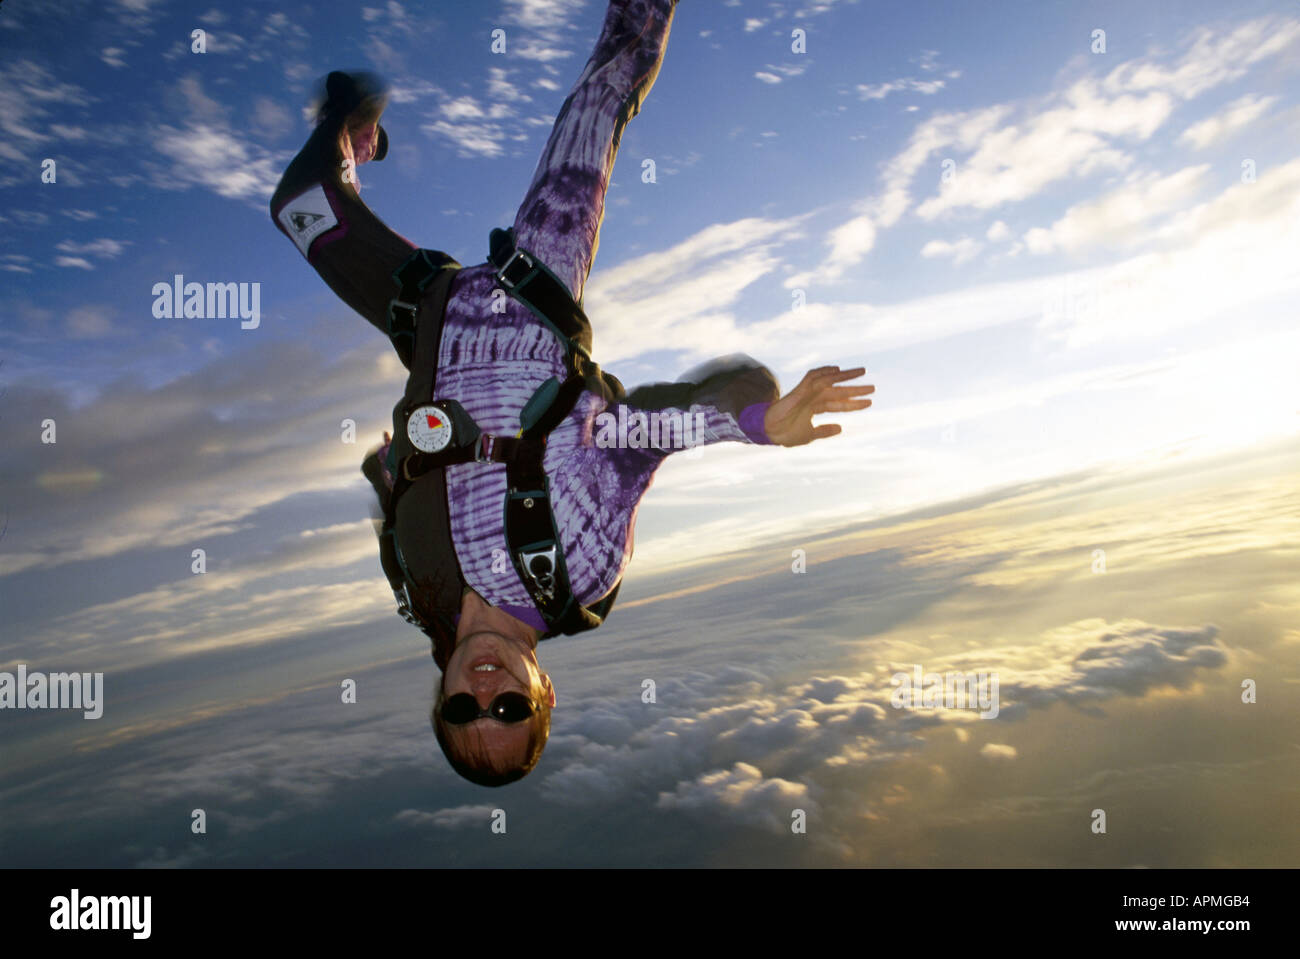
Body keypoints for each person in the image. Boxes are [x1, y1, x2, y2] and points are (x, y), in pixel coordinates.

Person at [269, 0, 874, 786]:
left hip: (428, 313)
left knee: (300, 205)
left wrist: (390, 474)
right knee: (602, 91)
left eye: (463, 713)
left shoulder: (426, 604)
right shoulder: (576, 570)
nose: (485, 694)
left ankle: (353, 130)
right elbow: (635, 436)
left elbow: (397, 508)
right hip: (533, 287)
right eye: (511, 711)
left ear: (441, 697)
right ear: (543, 691)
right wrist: (754, 421)